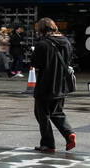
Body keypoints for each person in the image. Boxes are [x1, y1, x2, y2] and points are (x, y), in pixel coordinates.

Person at [32, 17, 76, 153]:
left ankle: (48, 144)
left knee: (42, 114)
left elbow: (35, 63)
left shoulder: (42, 44)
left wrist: (35, 51)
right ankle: (69, 133)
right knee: (57, 112)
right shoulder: (66, 42)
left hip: (45, 85)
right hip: (61, 85)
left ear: (41, 30)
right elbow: (68, 60)